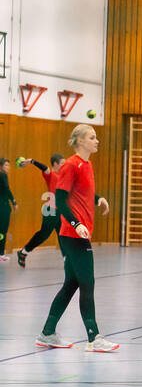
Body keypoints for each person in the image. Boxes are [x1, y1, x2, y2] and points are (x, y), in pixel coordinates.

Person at [36, 125, 117, 352]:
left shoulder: (87, 165)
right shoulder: (71, 165)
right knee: (87, 283)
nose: (97, 140)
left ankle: (47, 333)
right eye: (92, 137)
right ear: (80, 141)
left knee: (71, 284)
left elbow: (80, 194)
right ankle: (94, 337)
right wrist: (77, 223)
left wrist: (98, 198)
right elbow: (60, 200)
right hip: (73, 234)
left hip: (78, 233)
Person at [15, 155, 65, 268]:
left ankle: (67, 259)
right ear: (55, 164)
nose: (64, 165)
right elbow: (44, 168)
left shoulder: (64, 177)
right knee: (43, 235)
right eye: (62, 163)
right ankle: (23, 252)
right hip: (50, 210)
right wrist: (32, 161)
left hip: (61, 211)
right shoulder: (51, 175)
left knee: (63, 235)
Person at [0, 157, 13, 262]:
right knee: (3, 231)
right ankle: (1, 254)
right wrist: (14, 201)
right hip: (3, 207)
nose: (8, 167)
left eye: (8, 165)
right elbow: (7, 190)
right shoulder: (3, 175)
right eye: (6, 165)